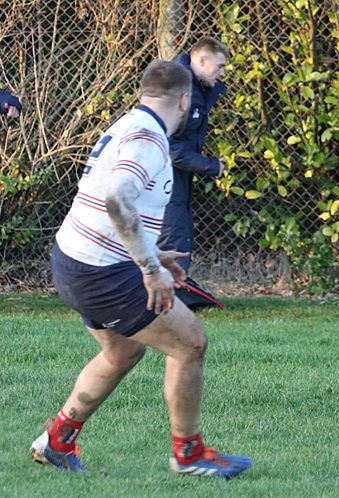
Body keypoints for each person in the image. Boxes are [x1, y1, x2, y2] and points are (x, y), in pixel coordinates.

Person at [31, 60, 251, 477]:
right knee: (190, 344)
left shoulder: (131, 123)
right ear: (185, 101)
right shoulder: (149, 140)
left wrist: (148, 253)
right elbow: (117, 199)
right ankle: (188, 455)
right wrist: (150, 268)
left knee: (122, 351)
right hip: (101, 272)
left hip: (76, 260)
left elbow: (107, 203)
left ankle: (57, 441)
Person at [157, 36, 230, 310]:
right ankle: (168, 297)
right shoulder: (181, 89)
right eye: (219, 66)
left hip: (177, 175)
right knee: (174, 231)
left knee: (178, 228)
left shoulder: (195, 88)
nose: (222, 73)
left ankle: (171, 292)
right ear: (202, 60)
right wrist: (211, 165)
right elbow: (170, 148)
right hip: (165, 175)